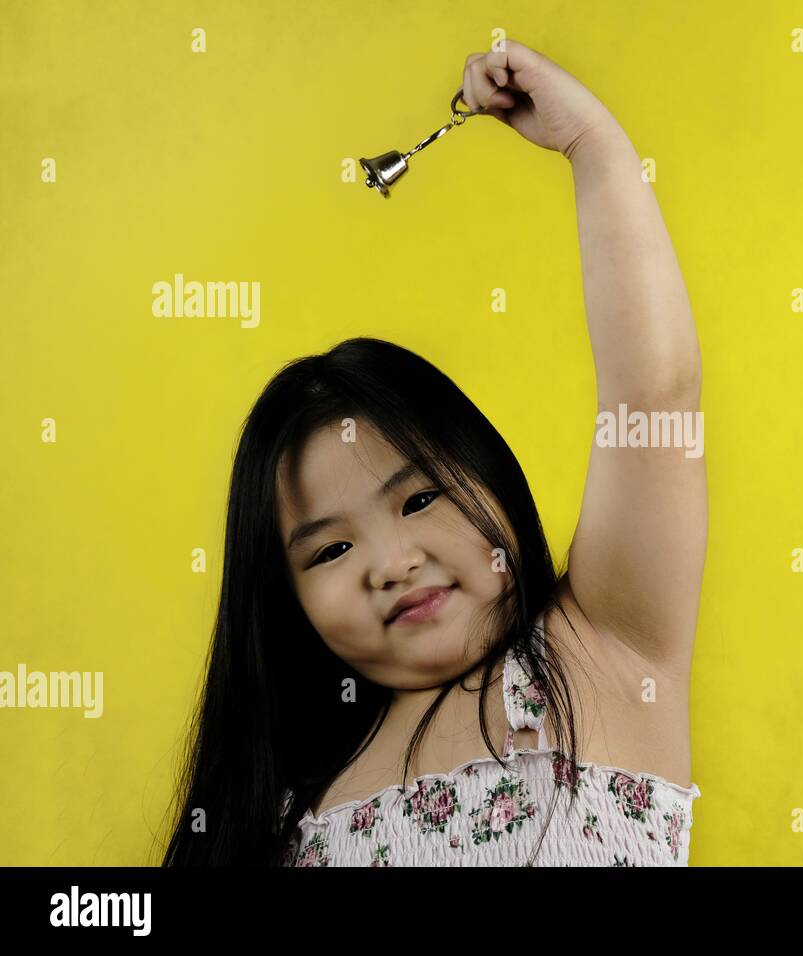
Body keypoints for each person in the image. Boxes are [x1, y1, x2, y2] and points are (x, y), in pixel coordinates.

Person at [161, 39, 706, 866]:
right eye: (331, 549)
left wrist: (592, 145)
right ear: (284, 600)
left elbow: (654, 398)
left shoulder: (602, 651)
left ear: (488, 481)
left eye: (418, 501)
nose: (391, 562)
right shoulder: (292, 808)